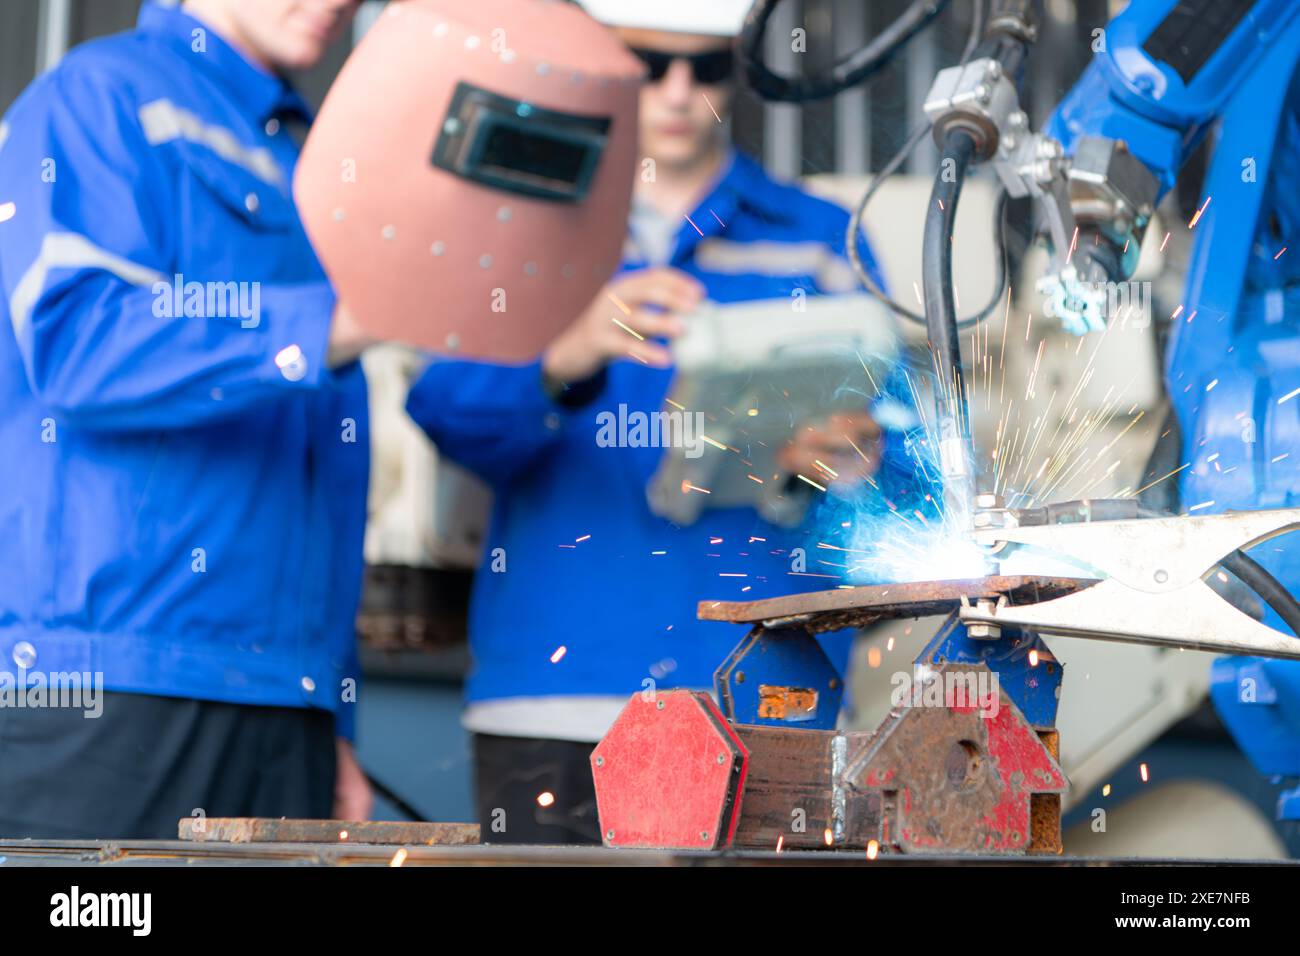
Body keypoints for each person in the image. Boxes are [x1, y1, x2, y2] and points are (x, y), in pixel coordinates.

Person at [405, 1, 914, 844]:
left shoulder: (823, 243)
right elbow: (446, 415)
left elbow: (909, 486)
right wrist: (564, 353)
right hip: (561, 693)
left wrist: (853, 461)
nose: (680, 92)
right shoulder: (524, 232)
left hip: (769, 701)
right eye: (649, 63)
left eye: (707, 67)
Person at [0, 0, 375, 839]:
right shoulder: (96, 96)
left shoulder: (319, 160)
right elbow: (74, 344)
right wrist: (325, 323)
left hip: (286, 699)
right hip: (112, 687)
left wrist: (334, 718)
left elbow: (327, 466)